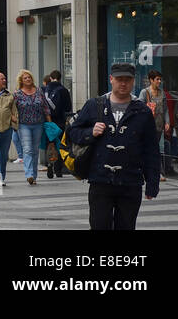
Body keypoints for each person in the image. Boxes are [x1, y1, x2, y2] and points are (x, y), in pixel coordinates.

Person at [68, 64, 161, 230]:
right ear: (111, 79)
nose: (123, 83)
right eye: (119, 79)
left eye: (127, 79)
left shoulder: (142, 111)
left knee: (126, 226)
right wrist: (90, 132)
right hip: (100, 179)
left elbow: (151, 150)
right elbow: (72, 132)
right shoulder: (94, 105)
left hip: (130, 181)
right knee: (99, 226)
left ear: (134, 81)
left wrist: (152, 182)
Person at [13, 70, 50, 186]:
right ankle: (28, 174)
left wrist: (50, 123)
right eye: (25, 78)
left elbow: (45, 107)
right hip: (24, 125)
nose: (28, 79)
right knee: (27, 149)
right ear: (21, 81)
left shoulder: (39, 91)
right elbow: (10, 108)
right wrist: (13, 118)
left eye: (29, 77)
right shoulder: (17, 94)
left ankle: (34, 176)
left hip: (38, 124)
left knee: (35, 150)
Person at [138, 71, 175, 182]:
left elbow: (165, 110)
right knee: (154, 149)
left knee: (150, 150)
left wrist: (167, 122)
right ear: (151, 80)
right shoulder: (145, 92)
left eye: (160, 79)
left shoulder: (162, 93)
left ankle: (146, 172)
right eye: (157, 79)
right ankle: (158, 173)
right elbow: (139, 108)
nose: (159, 81)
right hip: (147, 127)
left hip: (158, 126)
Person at [42, 70, 72, 178]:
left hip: (47, 121)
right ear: (60, 78)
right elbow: (68, 107)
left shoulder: (43, 90)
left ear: (50, 78)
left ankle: (49, 164)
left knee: (50, 144)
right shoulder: (63, 90)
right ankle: (58, 169)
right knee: (60, 144)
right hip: (60, 122)